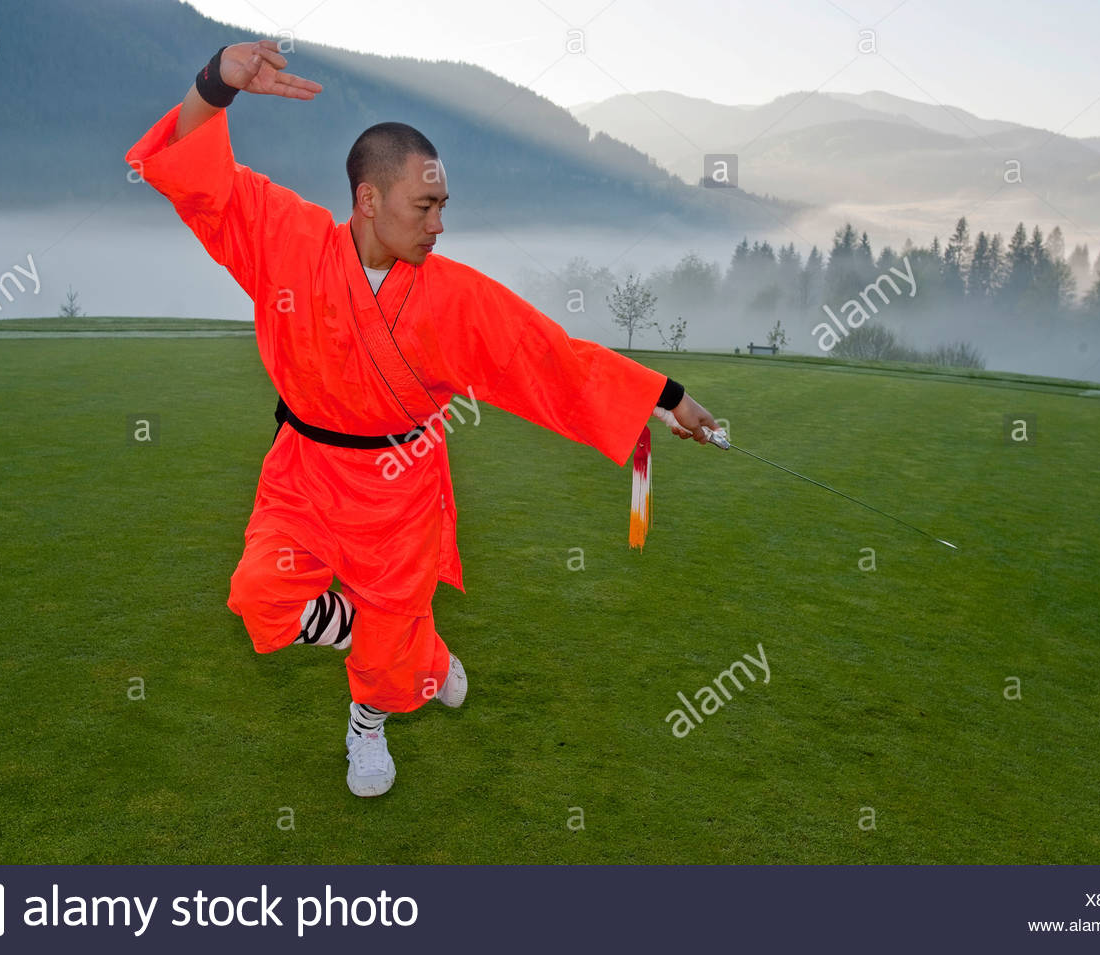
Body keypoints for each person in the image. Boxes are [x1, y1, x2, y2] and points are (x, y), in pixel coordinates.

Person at [125, 39, 720, 798]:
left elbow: (551, 357)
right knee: (259, 594)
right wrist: (214, 82)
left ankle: (370, 716)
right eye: (426, 205)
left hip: (399, 488)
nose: (440, 224)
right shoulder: (287, 241)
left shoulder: (457, 297)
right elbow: (195, 177)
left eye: (444, 205)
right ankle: (413, 649)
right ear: (369, 200)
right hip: (303, 473)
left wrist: (663, 397)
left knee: (382, 661)